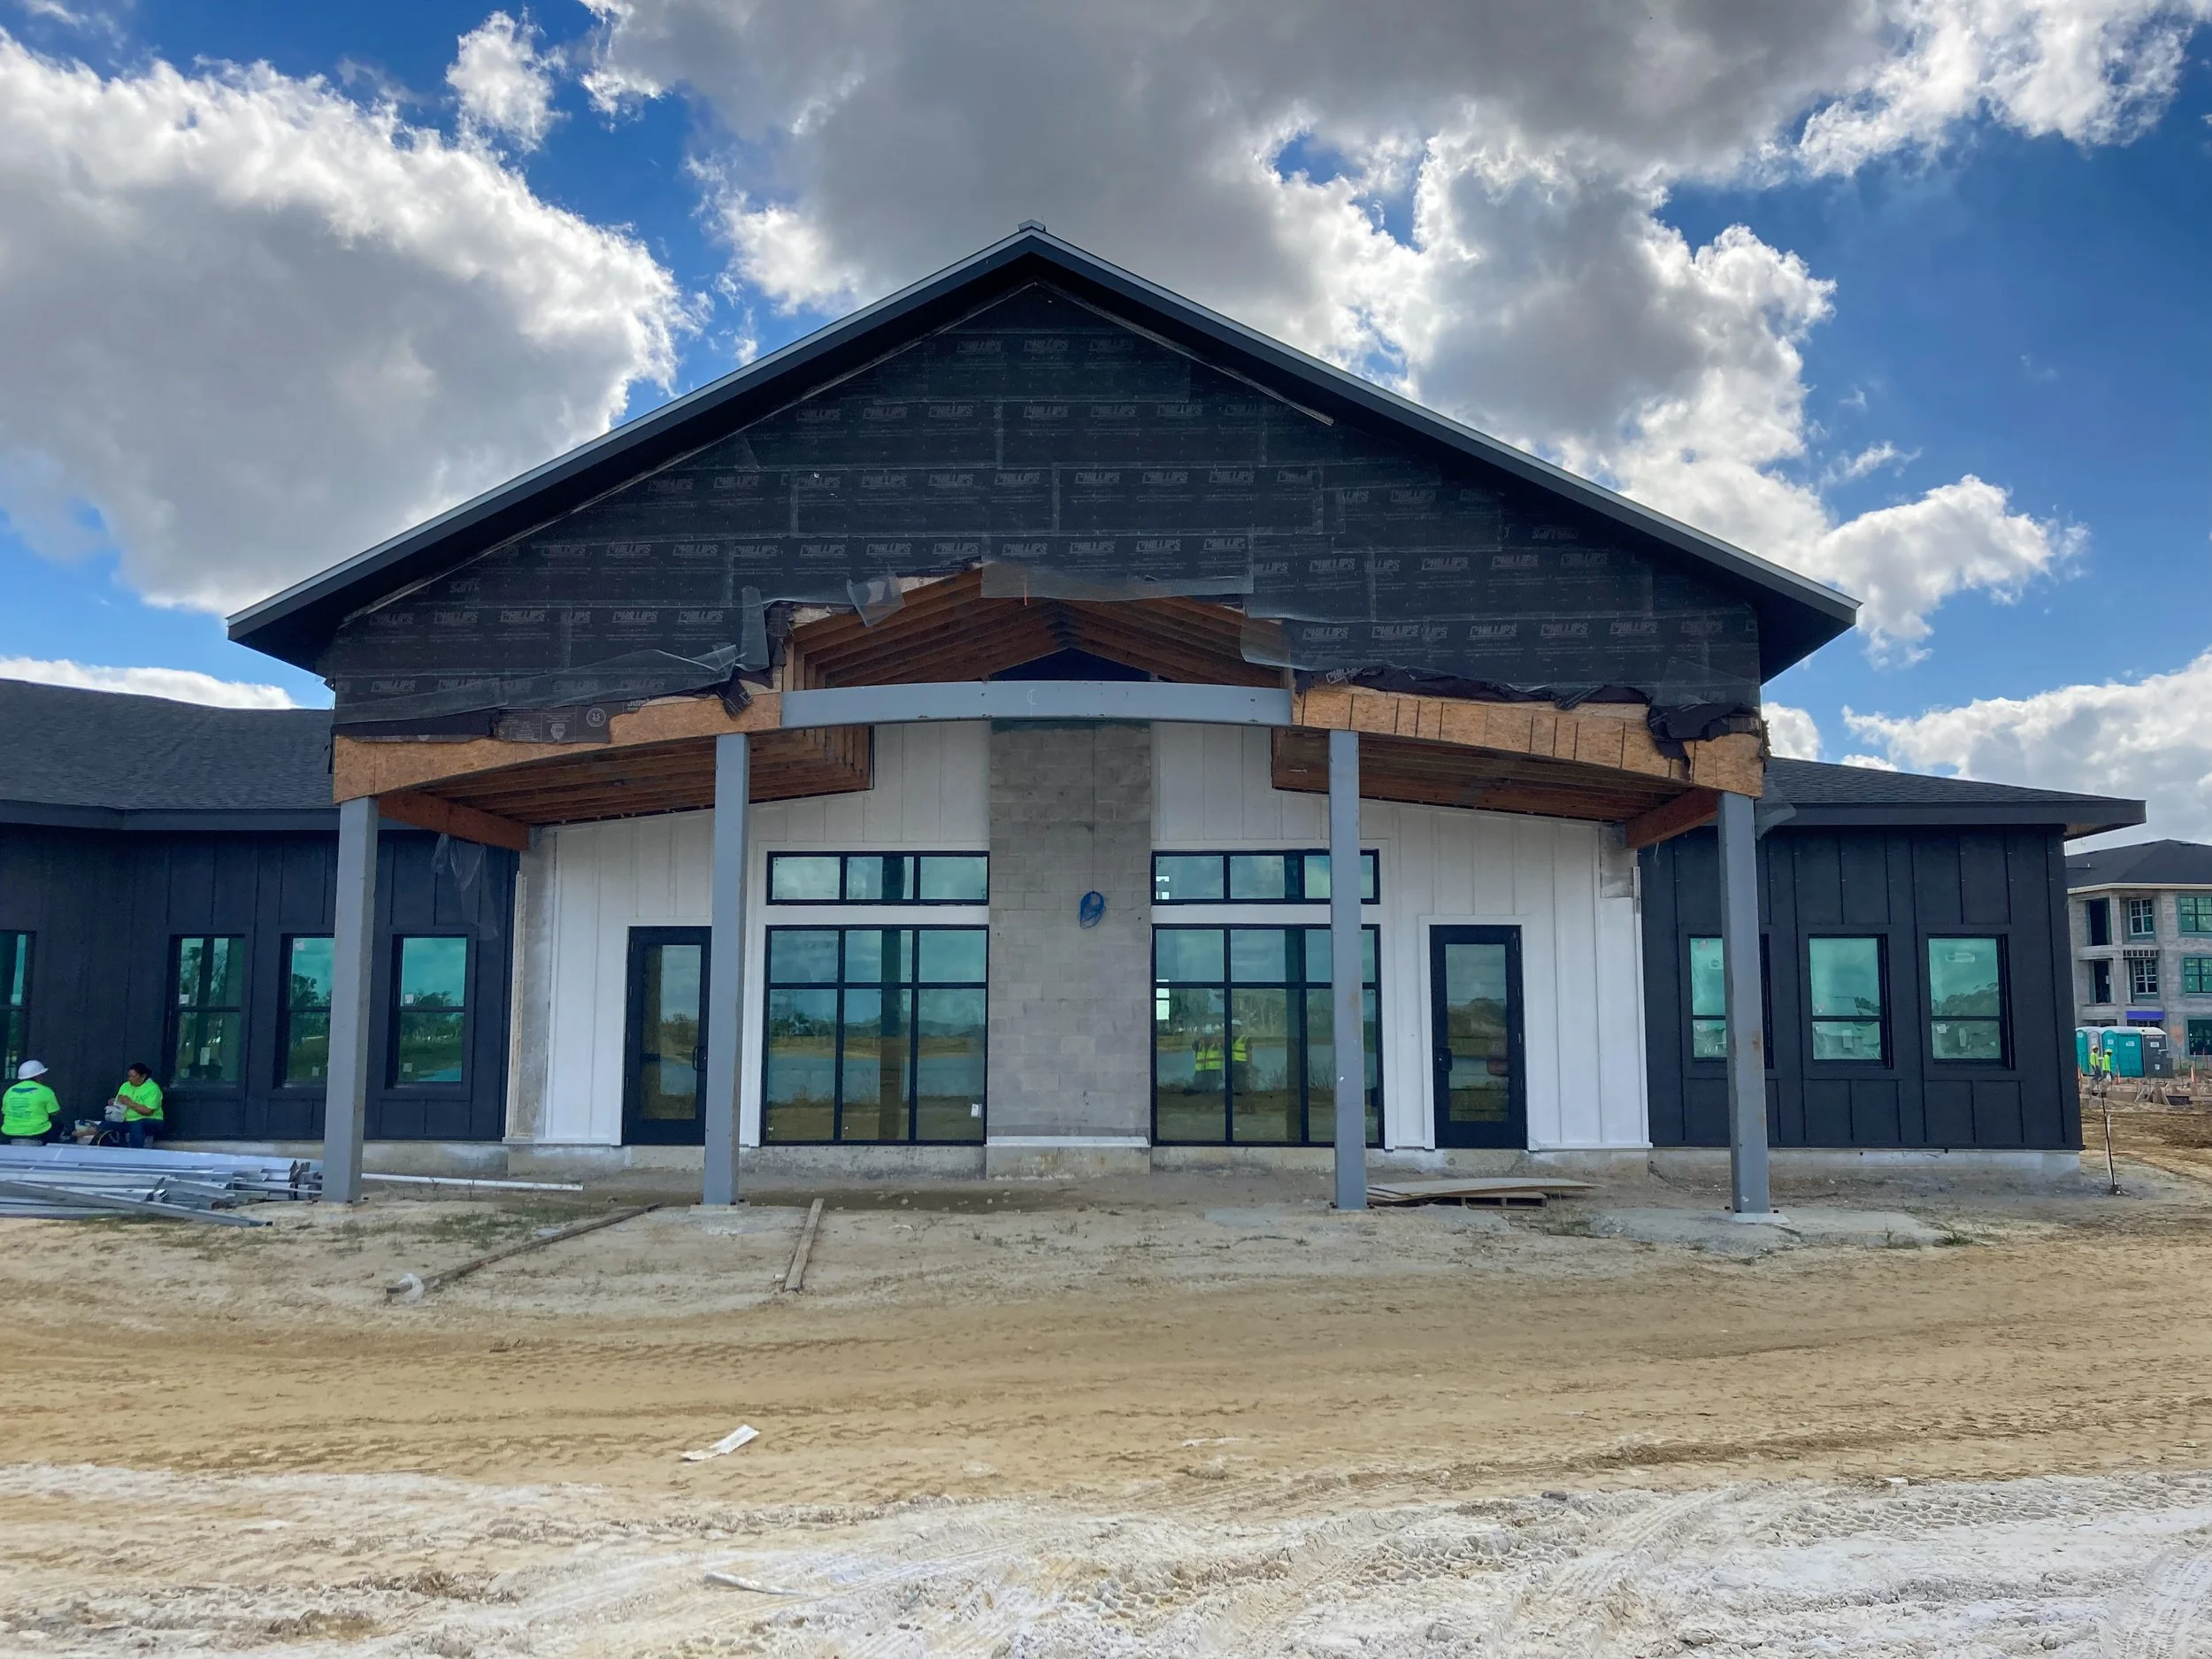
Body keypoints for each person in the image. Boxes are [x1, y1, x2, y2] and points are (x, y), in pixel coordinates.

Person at [3, 1060, 59, 1145]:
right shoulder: (45, 1091)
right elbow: (54, 1112)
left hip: (9, 1131)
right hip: (37, 1132)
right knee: (58, 1126)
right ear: (38, 1076)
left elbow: (4, 1111)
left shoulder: (10, 1091)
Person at [112, 1063, 164, 1148]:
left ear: (143, 1076)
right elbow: (119, 1101)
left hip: (152, 1121)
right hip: (126, 1120)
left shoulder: (152, 1088)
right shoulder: (125, 1086)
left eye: (133, 1077)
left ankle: (136, 1153)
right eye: (129, 1076)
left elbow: (148, 1111)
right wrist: (114, 1102)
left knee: (137, 1125)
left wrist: (130, 1103)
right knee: (106, 1125)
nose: (130, 1079)